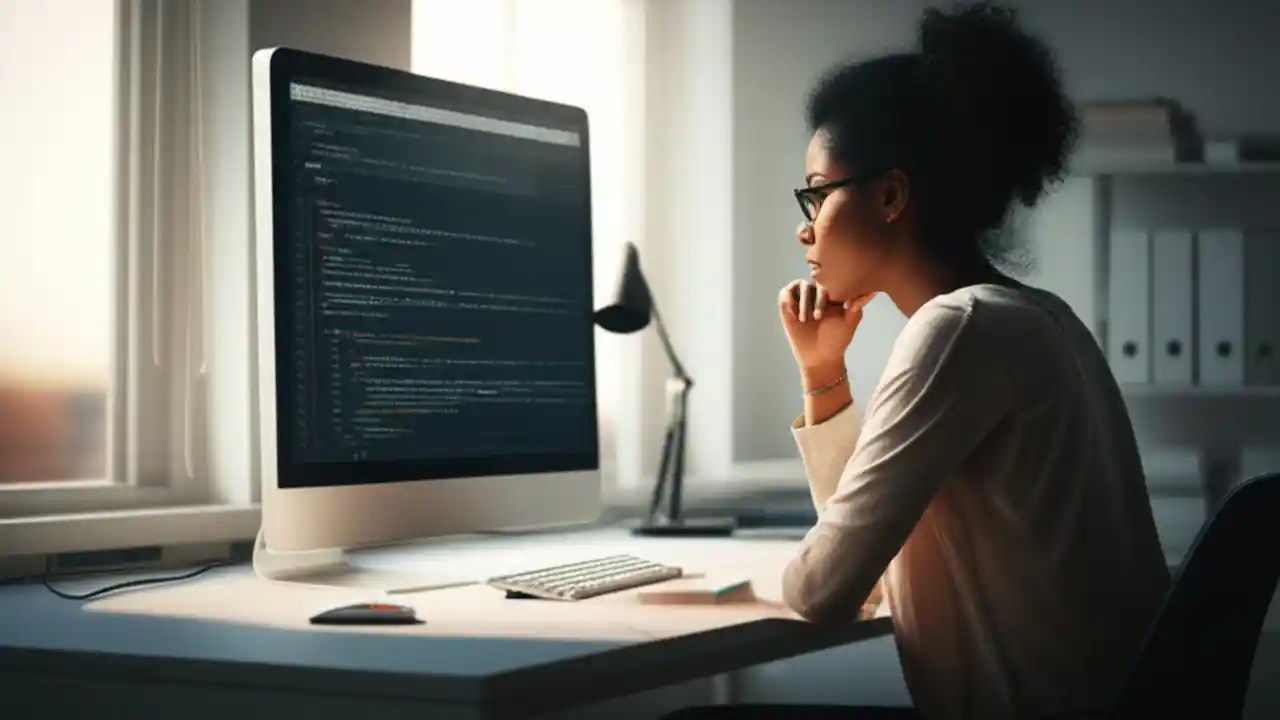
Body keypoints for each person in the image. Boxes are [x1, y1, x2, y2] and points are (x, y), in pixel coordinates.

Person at [669, 3, 1169, 719]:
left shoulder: (956, 330)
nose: (803, 225)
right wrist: (823, 376)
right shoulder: (1041, 318)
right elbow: (861, 573)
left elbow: (823, 590)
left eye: (817, 190)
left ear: (892, 194)